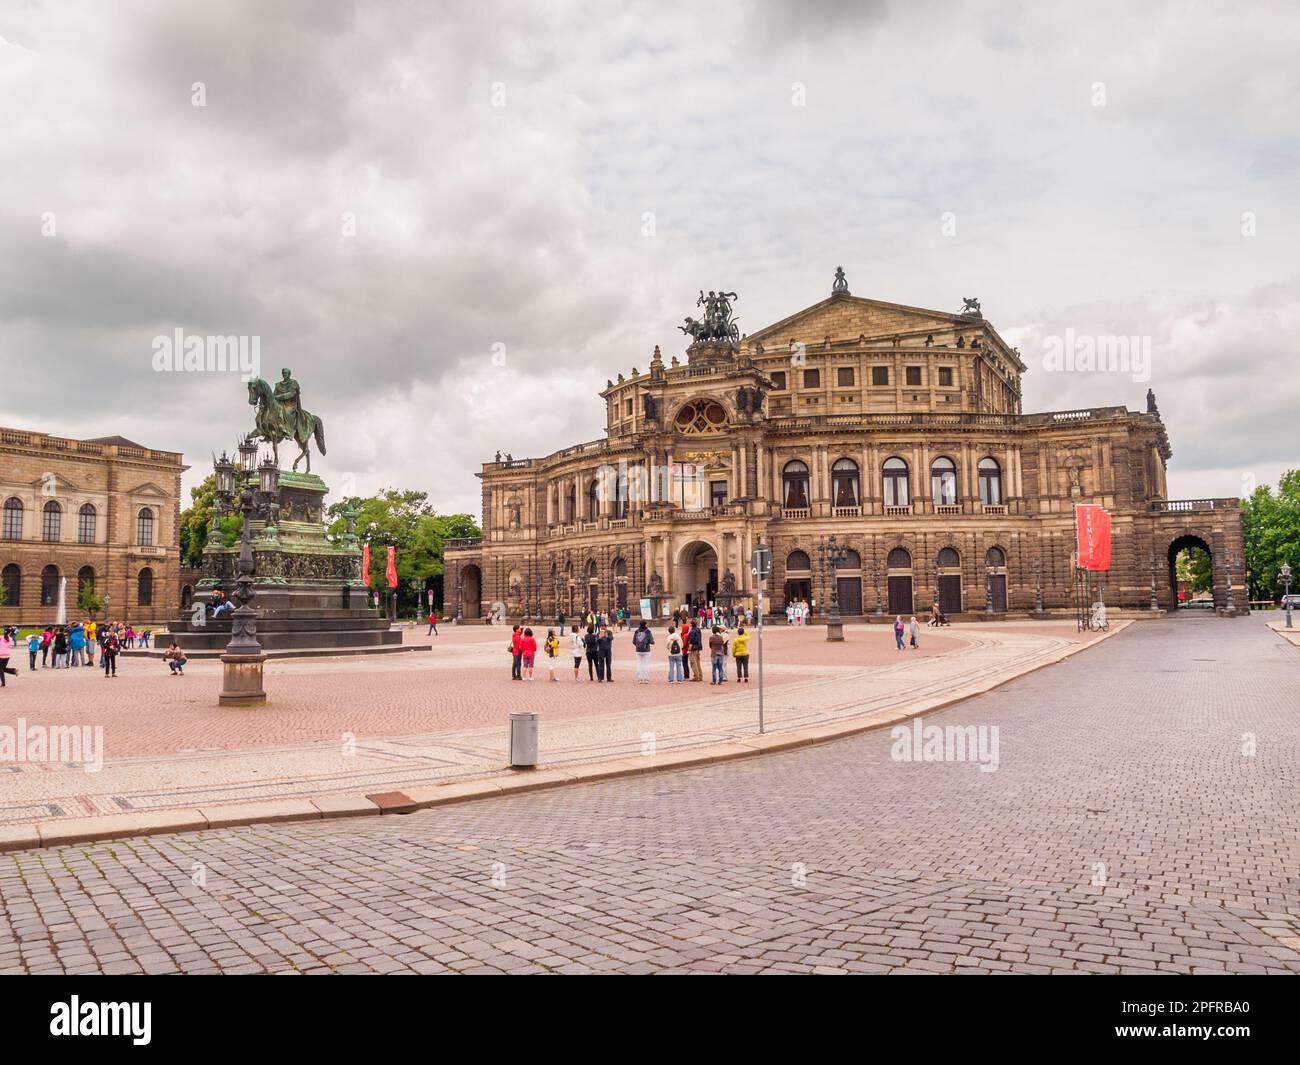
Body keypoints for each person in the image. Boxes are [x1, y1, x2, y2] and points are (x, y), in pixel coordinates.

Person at [632, 619, 654, 684]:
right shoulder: (648, 631)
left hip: (638, 650)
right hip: (646, 650)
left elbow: (634, 641)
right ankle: (646, 679)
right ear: (645, 624)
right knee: (646, 665)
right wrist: (652, 642)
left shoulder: (636, 631)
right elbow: (651, 641)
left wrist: (638, 645)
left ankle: (639, 679)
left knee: (639, 664)